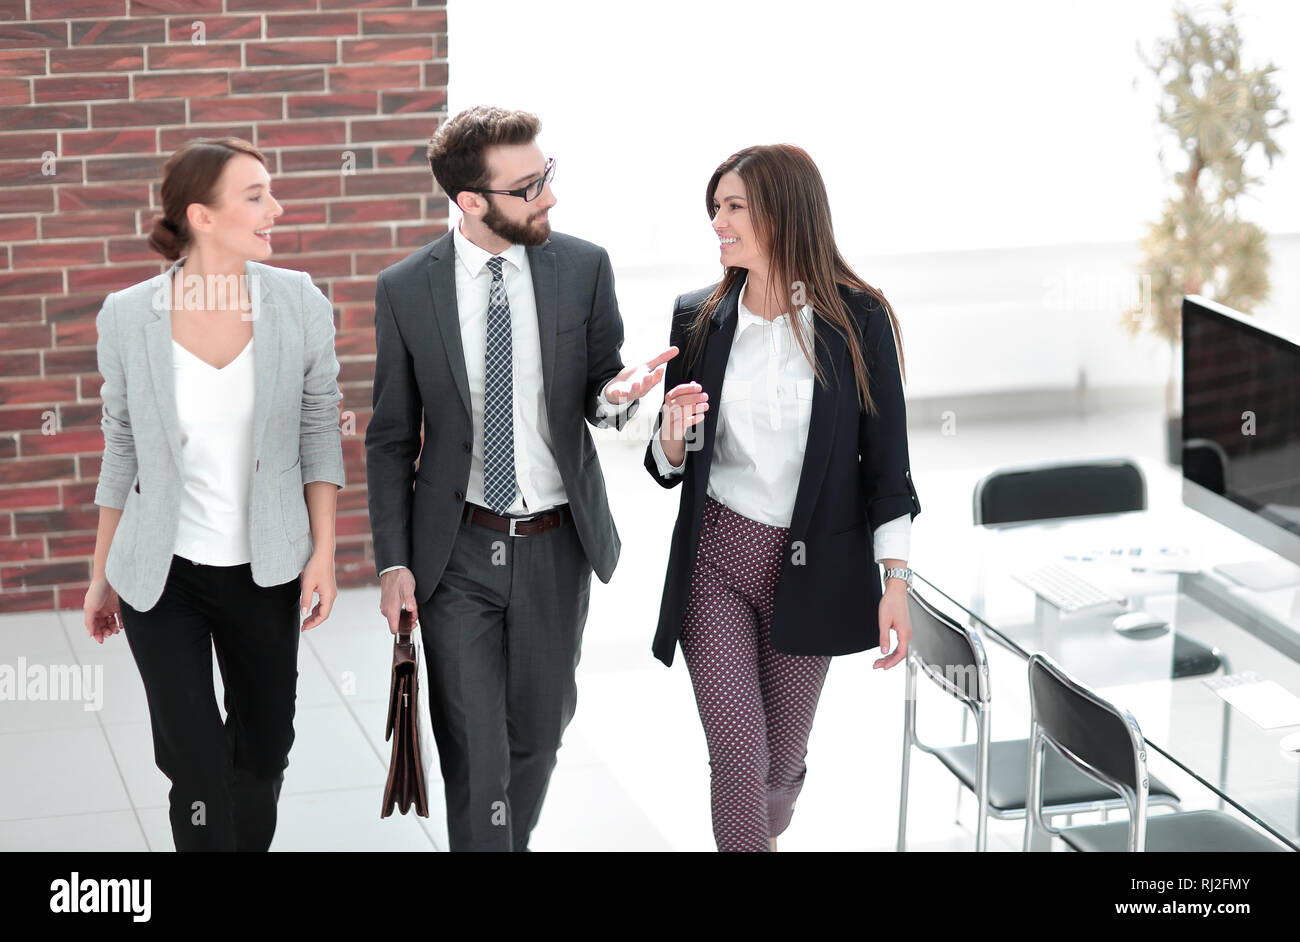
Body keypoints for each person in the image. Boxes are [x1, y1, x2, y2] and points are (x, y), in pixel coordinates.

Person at [365, 106, 674, 852]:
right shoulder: (407, 289)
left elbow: (600, 391)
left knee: (538, 736)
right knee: (475, 751)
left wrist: (619, 397)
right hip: (457, 550)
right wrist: (394, 562)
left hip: (554, 545)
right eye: (529, 186)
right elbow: (390, 438)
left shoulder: (582, 267)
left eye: (548, 176)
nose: (549, 197)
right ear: (471, 202)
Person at [645, 144, 922, 852]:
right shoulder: (698, 317)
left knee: (777, 772)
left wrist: (896, 581)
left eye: (734, 207)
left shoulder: (858, 320)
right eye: (715, 207)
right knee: (738, 763)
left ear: (782, 213)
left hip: (816, 567)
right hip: (716, 558)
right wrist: (672, 436)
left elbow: (888, 466)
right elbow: (668, 461)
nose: (718, 223)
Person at [83, 137, 345, 852]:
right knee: (193, 765)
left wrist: (323, 554)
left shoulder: (296, 301)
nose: (276, 208)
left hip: (264, 571)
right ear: (201, 215)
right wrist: (101, 574)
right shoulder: (128, 315)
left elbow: (321, 429)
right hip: (159, 577)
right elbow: (122, 449)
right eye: (255, 195)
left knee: (261, 756)